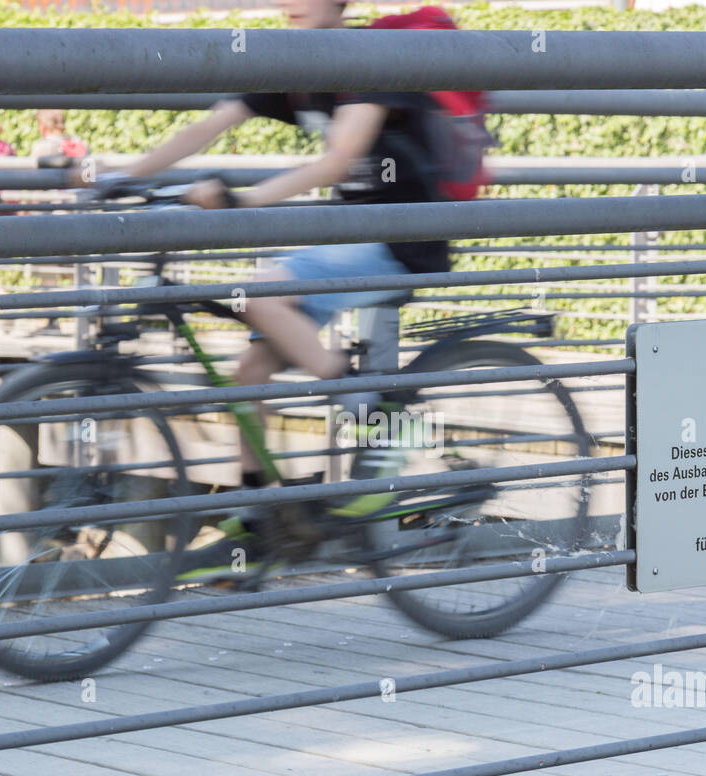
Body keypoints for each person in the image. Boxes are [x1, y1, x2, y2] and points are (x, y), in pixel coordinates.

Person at [82, 0, 454, 577]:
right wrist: (126, 176)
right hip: (349, 237)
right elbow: (211, 122)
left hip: (404, 238)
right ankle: (263, 519)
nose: (291, 5)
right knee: (248, 373)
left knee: (260, 291)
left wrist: (240, 200)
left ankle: (386, 423)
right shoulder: (296, 69)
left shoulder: (370, 59)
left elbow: (339, 160)